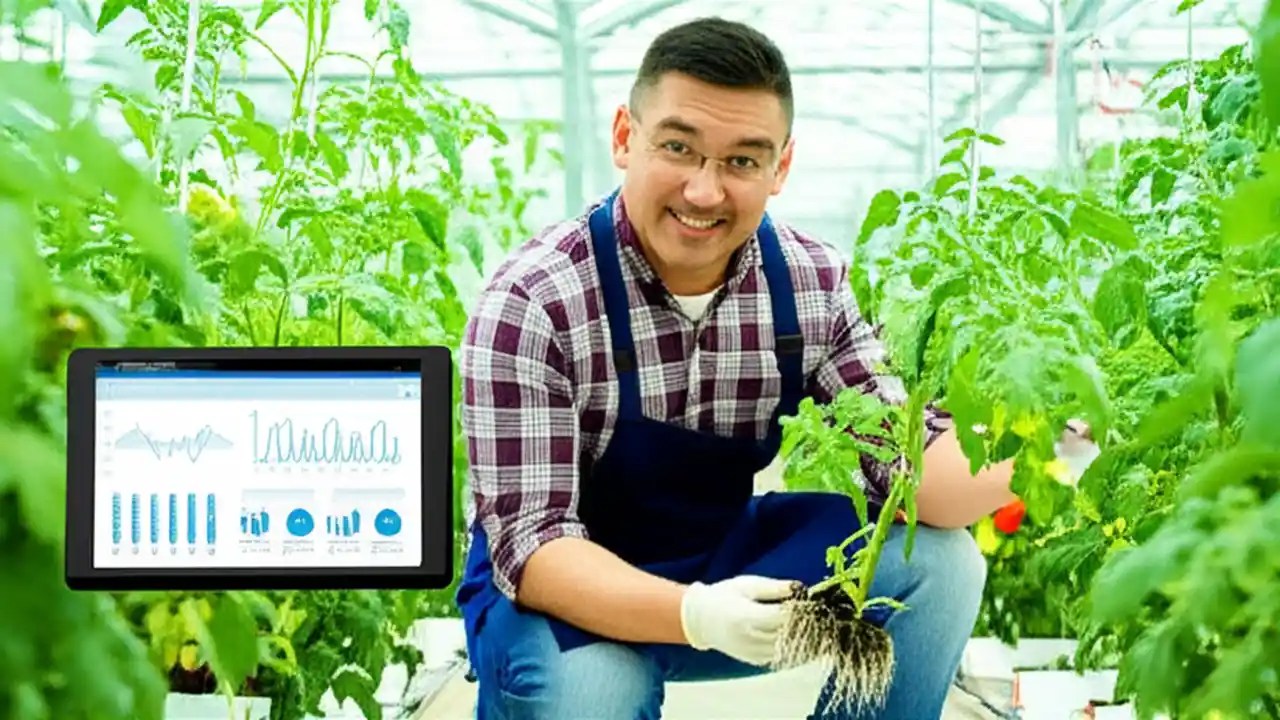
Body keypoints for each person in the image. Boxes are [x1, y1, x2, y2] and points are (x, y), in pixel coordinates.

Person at [454, 16, 1090, 720]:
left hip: (720, 557)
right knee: (599, 691)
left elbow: (912, 477)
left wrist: (1060, 438)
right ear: (623, 138)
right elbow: (532, 545)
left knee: (940, 564)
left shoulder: (809, 285)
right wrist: (695, 615)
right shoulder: (535, 300)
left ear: (780, 168)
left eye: (742, 162)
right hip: (564, 596)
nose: (704, 191)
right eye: (678, 147)